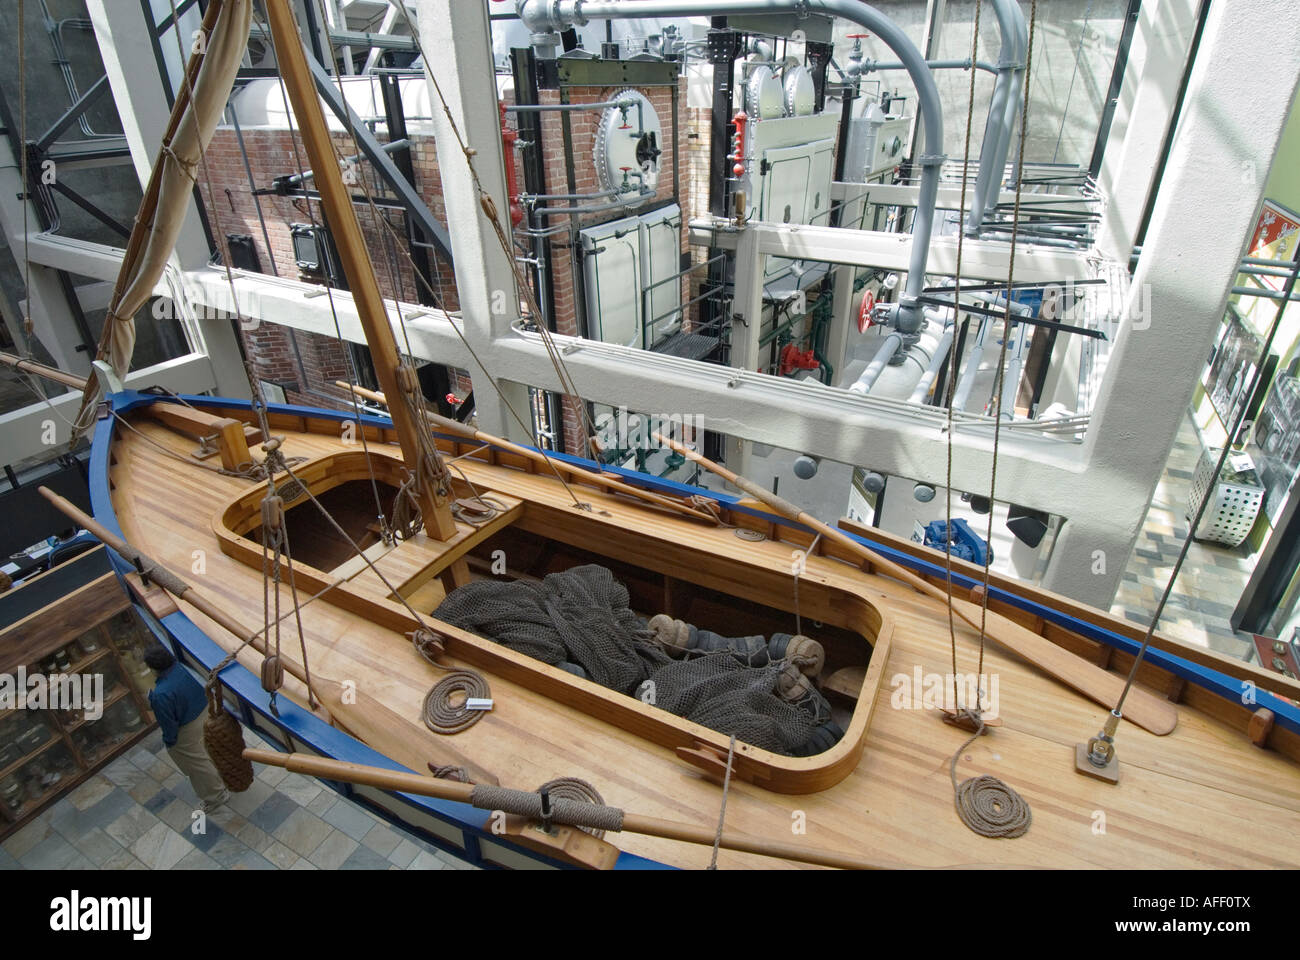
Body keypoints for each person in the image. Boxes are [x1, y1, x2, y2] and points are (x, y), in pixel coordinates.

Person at [143, 645, 230, 812]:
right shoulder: (185, 665)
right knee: (214, 747)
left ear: (152, 667)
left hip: (187, 725)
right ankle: (227, 776)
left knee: (196, 763)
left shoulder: (161, 694)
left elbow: (168, 723)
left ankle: (216, 796)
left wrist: (170, 742)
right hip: (208, 709)